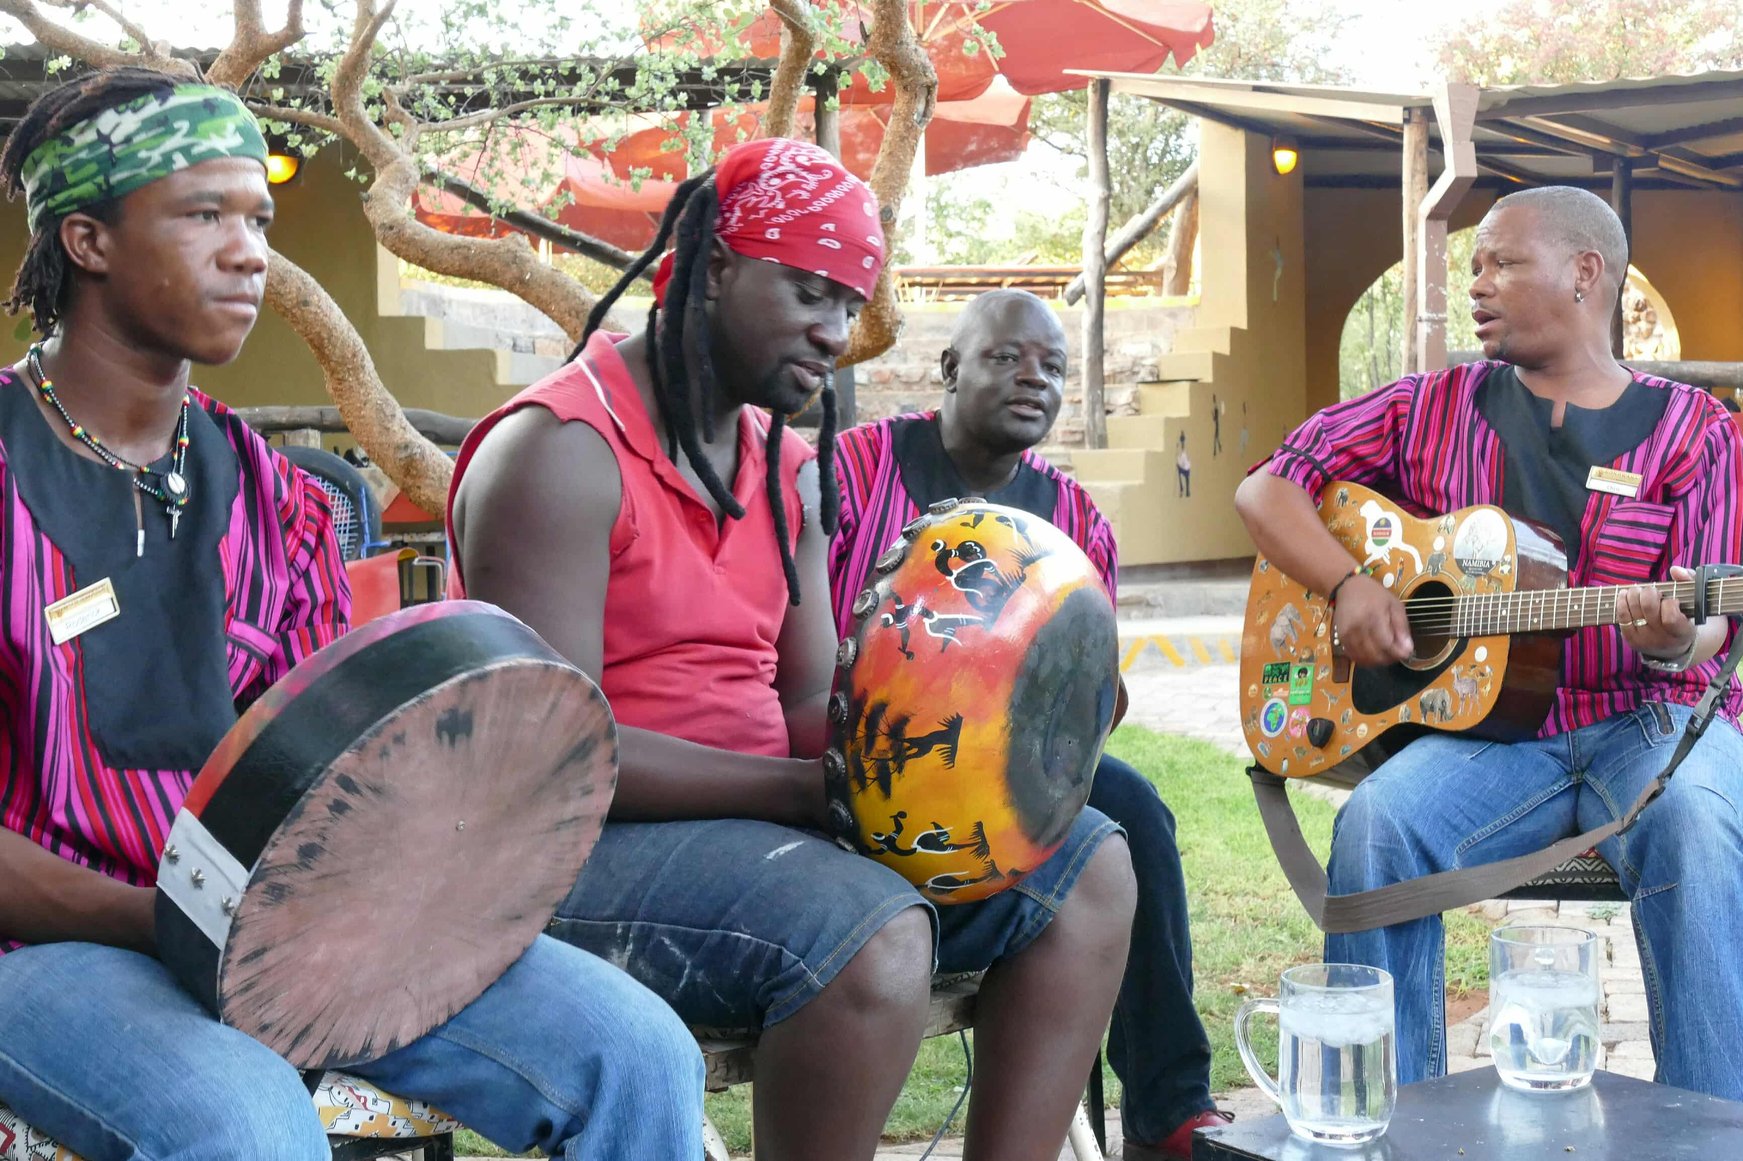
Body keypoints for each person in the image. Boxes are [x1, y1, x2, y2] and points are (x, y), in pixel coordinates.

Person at [0, 68, 703, 1160]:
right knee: (243, 1122)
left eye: (258, 220)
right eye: (203, 215)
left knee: (635, 1053)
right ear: (87, 241)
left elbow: (348, 760)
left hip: (299, 937)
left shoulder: (277, 497)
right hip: (44, 954)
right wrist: (170, 923)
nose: (249, 253)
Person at [448, 136, 1137, 1161]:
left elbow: (818, 699)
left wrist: (994, 717)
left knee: (1087, 866)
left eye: (852, 305)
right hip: (560, 862)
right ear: (718, 268)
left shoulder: (785, 468)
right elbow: (550, 758)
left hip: (753, 823)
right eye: (812, 293)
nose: (836, 332)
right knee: (866, 932)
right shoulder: (559, 453)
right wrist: (814, 792)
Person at [1235, 185, 1743, 1099]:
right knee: (1377, 823)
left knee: (1696, 821)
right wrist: (1347, 583)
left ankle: (1713, 1125)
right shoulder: (1424, 407)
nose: (1477, 283)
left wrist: (1673, 636)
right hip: (1493, 738)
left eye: (1502, 261)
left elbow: (1709, 617)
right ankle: (1380, 1121)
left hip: (1650, 718)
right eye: (1474, 265)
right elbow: (1267, 489)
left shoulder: (1696, 432)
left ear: (1584, 273)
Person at [828, 287, 1229, 1160]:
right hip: (858, 762)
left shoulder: (1074, 520)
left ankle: (1169, 1113)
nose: (1033, 379)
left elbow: (1087, 706)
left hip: (1002, 782)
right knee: (1119, 807)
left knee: (1130, 806)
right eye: (1007, 357)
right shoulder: (851, 472)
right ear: (949, 367)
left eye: (1051, 366)